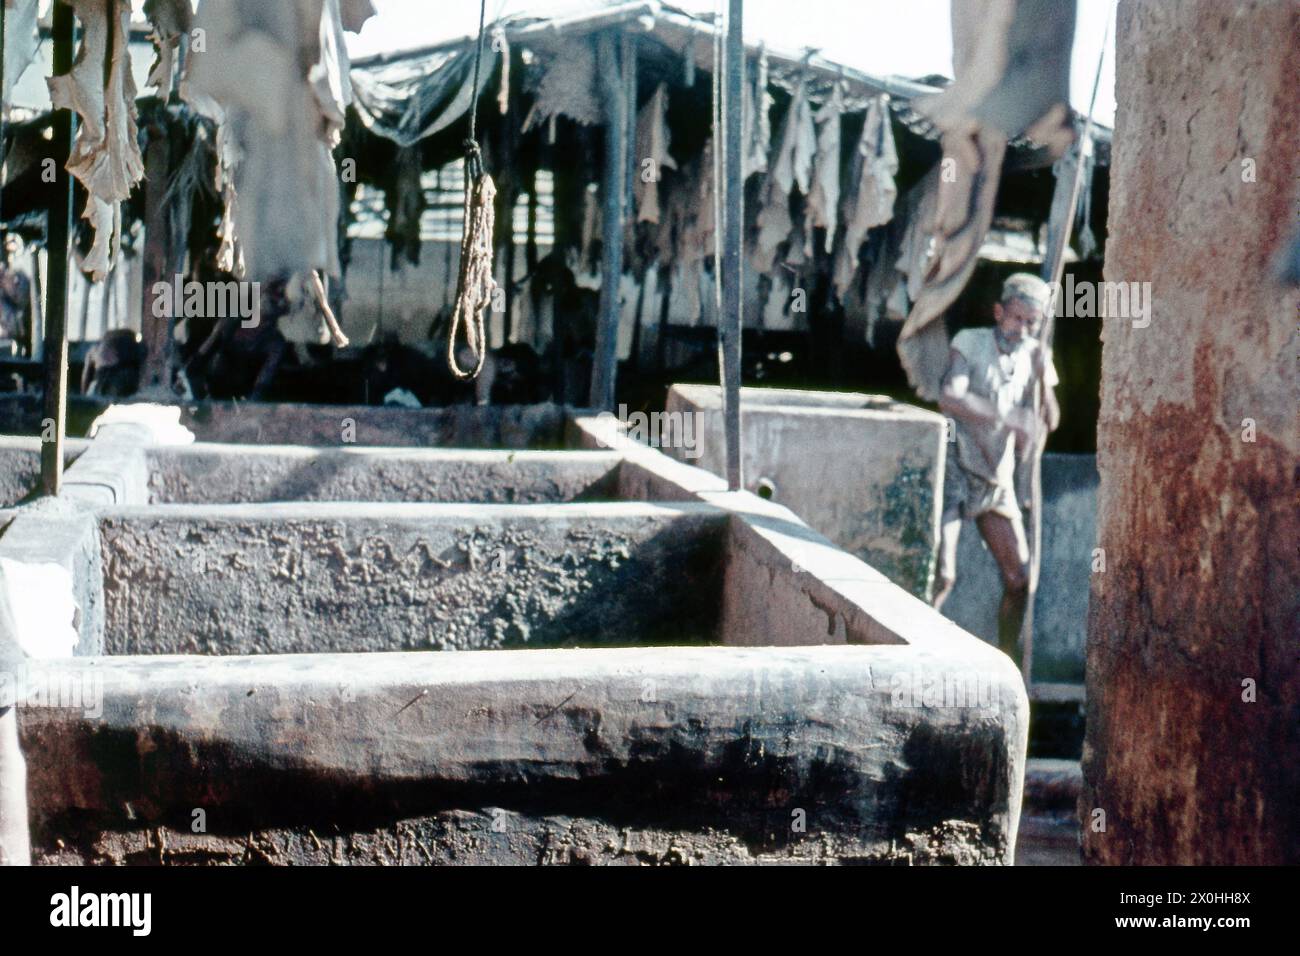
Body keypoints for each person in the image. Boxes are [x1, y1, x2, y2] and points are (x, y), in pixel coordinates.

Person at [933, 272, 1060, 663]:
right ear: (999, 312)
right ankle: (917, 659)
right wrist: (1008, 416)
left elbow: (1050, 420)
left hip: (996, 478)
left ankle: (1004, 659)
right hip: (956, 467)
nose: (1022, 329)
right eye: (1016, 319)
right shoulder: (969, 342)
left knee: (1021, 578)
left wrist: (1042, 379)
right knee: (942, 575)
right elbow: (950, 396)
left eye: (1031, 323)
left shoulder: (1036, 356)